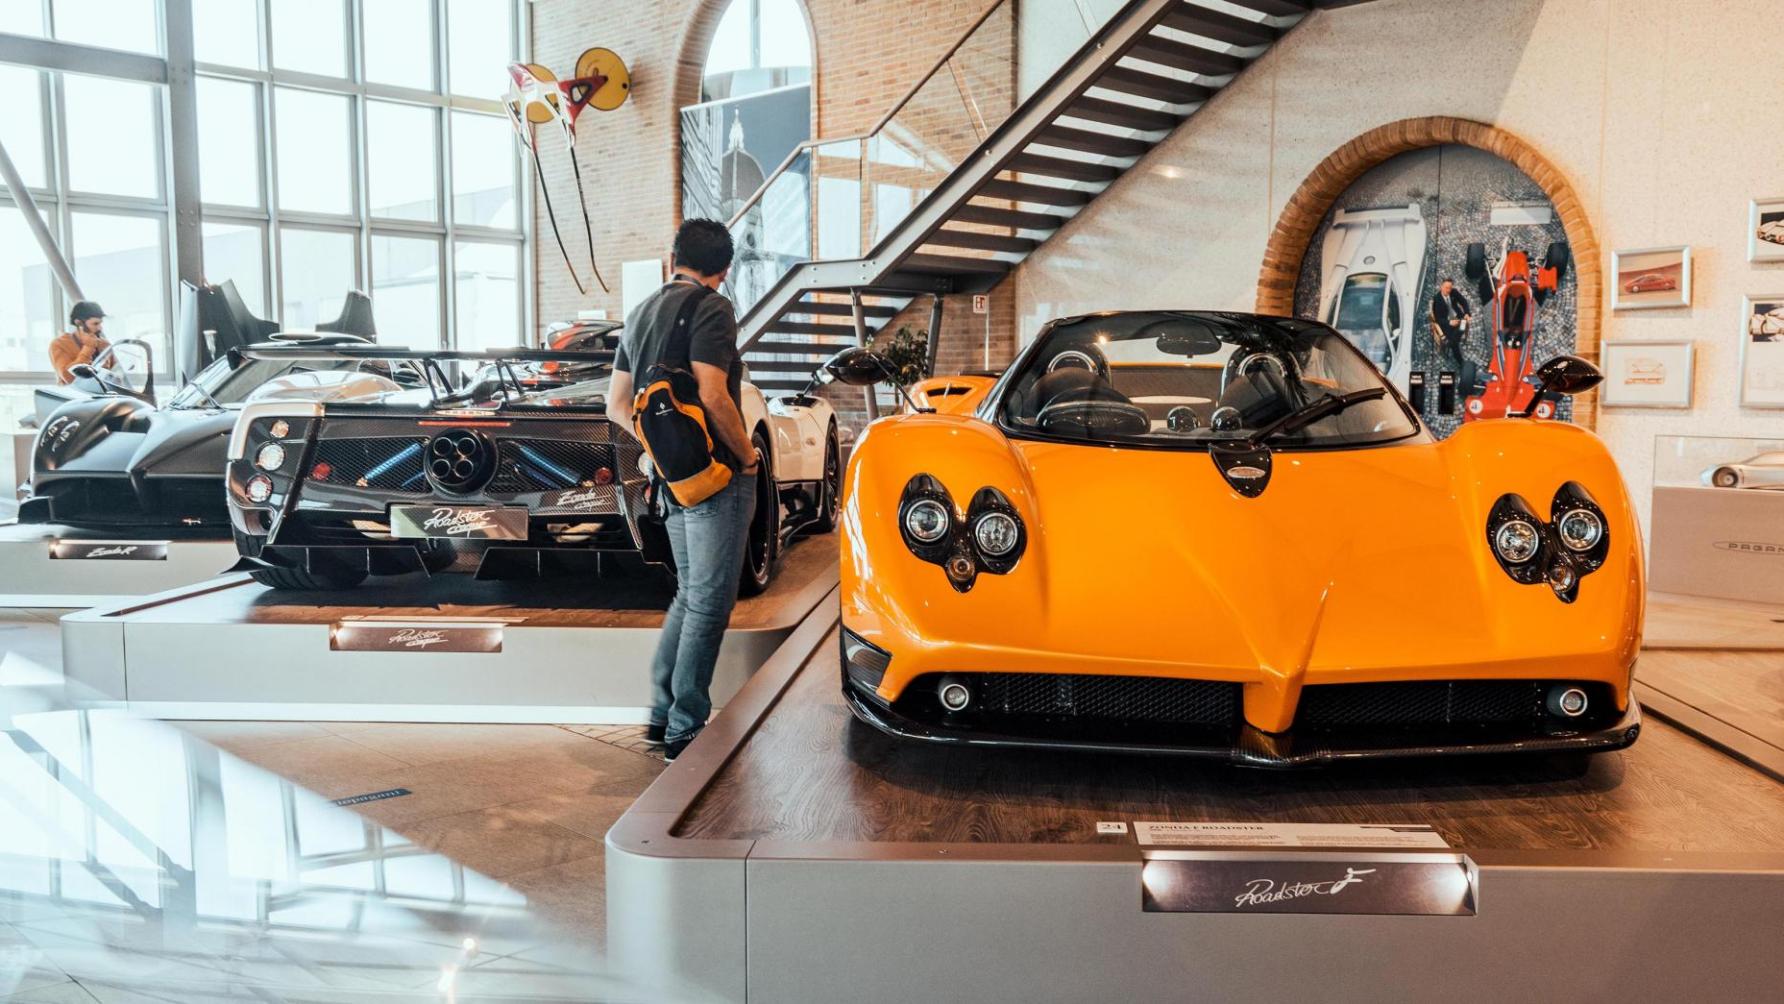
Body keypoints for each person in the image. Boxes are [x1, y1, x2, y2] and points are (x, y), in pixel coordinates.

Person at [606, 219, 759, 763]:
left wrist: (659, 452)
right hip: (716, 476)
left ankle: (660, 714)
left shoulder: (641, 311)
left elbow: (617, 404)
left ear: (671, 257)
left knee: (690, 593)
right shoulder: (713, 308)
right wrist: (746, 456)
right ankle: (685, 729)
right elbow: (714, 393)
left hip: (668, 477)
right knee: (711, 603)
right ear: (724, 270)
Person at [50, 301, 110, 384]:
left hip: (103, 394)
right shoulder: (59, 344)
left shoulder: (104, 344)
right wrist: (88, 347)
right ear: (79, 323)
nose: (100, 328)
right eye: (95, 324)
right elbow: (68, 378)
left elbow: (116, 375)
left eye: (100, 323)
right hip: (72, 395)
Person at [1429, 279, 1471, 372]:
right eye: (1446, 288)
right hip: (1447, 324)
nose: (1448, 290)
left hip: (1458, 318)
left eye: (1450, 288)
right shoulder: (1437, 300)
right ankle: (1461, 362)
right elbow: (1438, 319)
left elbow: (1464, 302)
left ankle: (1450, 343)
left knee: (1462, 327)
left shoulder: (1454, 292)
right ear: (1441, 287)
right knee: (1455, 342)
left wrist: (1467, 313)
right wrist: (1449, 322)